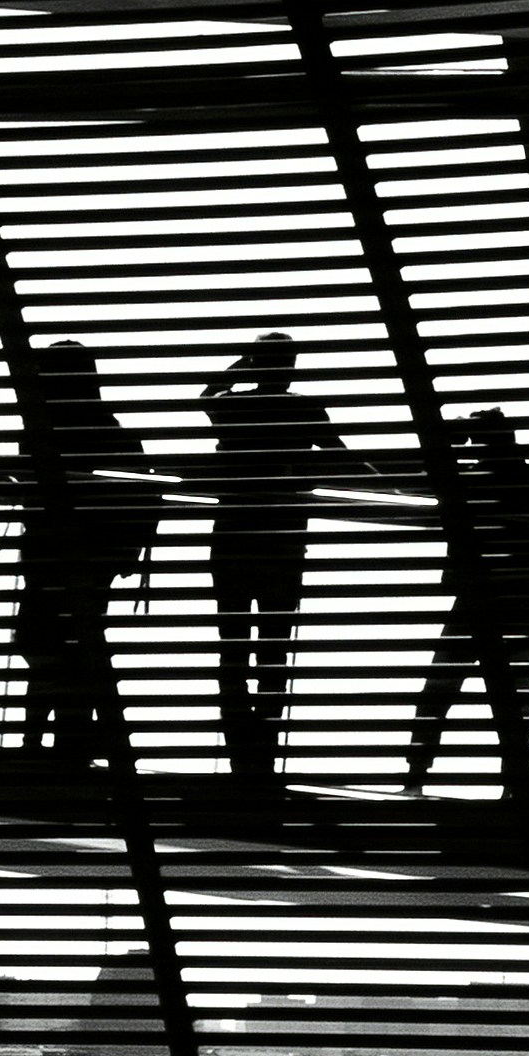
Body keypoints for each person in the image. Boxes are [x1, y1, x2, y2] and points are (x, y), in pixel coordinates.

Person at [195, 332, 347, 783]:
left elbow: (204, 397)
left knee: (233, 648)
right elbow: (341, 456)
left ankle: (241, 753)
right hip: (283, 540)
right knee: (274, 650)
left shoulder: (236, 406)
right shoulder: (304, 408)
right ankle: (263, 753)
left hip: (234, 537)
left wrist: (240, 365)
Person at [8, 337, 156, 761]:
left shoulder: (41, 427)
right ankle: (70, 742)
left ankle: (38, 742)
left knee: (42, 644)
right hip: (95, 556)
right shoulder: (111, 430)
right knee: (76, 646)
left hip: (47, 552)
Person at [401, 396, 529, 795]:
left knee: (440, 686)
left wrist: (449, 437)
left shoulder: (469, 480)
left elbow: (422, 476)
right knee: (512, 694)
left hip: (477, 595)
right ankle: (517, 784)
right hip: (526, 599)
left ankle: (415, 776)